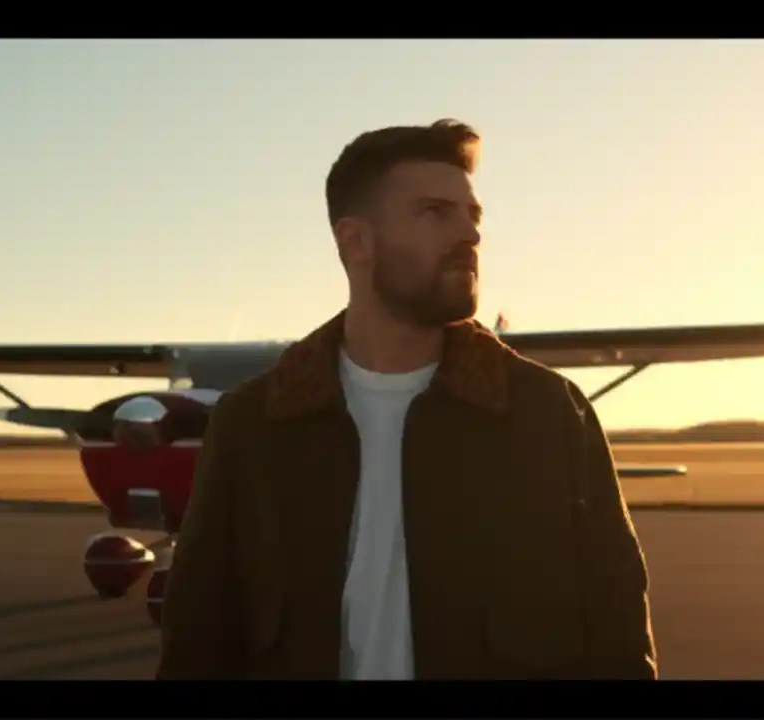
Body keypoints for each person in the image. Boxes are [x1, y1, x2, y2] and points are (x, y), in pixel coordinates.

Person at [155, 118, 658, 680]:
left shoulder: (549, 413)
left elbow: (617, 627)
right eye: (434, 212)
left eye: (473, 215)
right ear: (356, 242)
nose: (470, 235)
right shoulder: (252, 424)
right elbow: (198, 633)